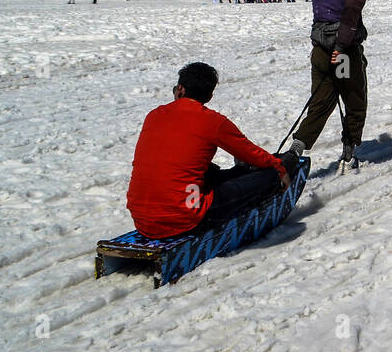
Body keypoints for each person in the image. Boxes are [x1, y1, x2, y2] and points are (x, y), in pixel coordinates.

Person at [125, 62, 299, 239]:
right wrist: (279, 168)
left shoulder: (154, 115)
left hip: (141, 216)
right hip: (184, 216)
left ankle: (242, 172)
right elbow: (250, 152)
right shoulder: (213, 121)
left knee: (212, 173)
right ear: (209, 96)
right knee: (268, 174)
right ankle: (280, 169)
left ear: (180, 89)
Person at [282, 0, 368, 172]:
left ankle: (297, 148)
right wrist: (340, 47)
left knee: (320, 102)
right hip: (342, 52)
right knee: (354, 99)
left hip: (320, 49)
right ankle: (349, 150)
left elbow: (320, 14)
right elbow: (351, 11)